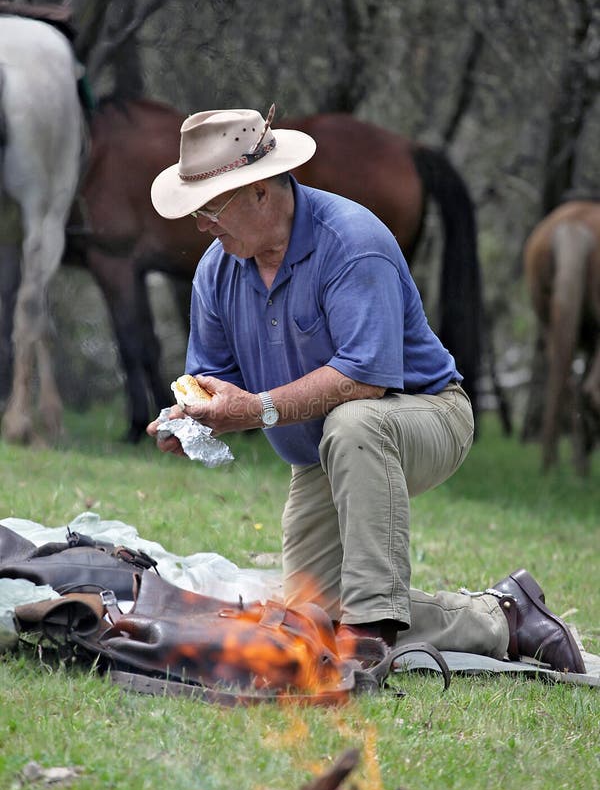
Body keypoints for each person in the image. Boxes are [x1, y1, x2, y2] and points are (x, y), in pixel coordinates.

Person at [147, 104, 585, 675]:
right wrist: (192, 418)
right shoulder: (217, 270)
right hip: (323, 454)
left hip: (425, 415)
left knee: (354, 422)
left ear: (258, 191)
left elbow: (365, 379)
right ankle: (503, 616)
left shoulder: (352, 240)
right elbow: (211, 379)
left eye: (210, 206)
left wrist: (256, 409)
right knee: (308, 617)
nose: (202, 223)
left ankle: (371, 631)